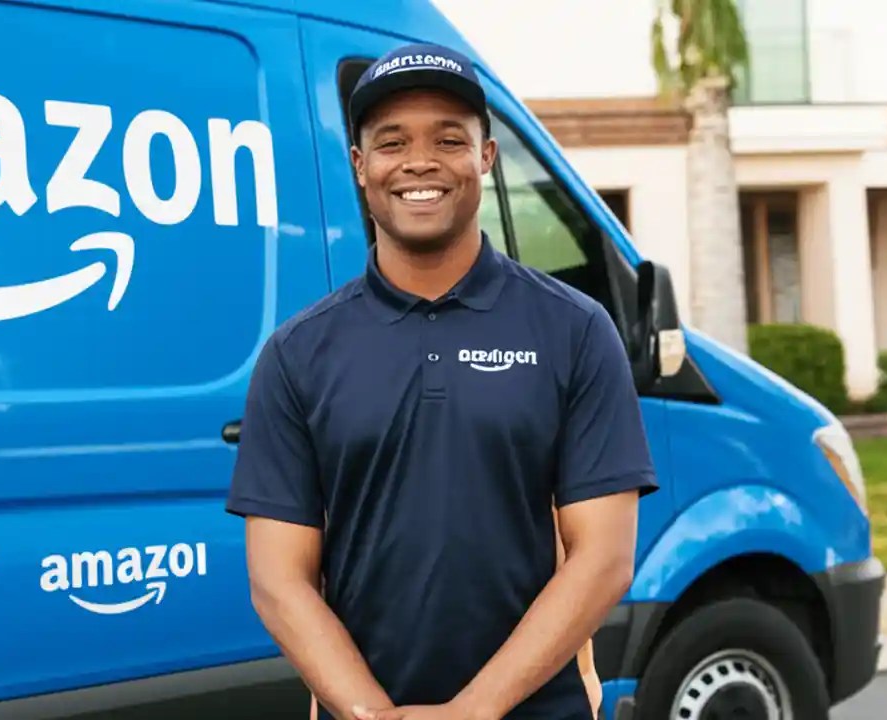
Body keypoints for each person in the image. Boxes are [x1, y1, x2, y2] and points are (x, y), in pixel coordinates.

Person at [225, 41, 657, 720]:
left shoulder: (573, 329)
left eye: (449, 139)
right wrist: (371, 714)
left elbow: (603, 558)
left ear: (486, 157)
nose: (420, 161)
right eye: (392, 142)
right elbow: (279, 580)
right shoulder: (298, 353)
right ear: (361, 167)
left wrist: (474, 712)